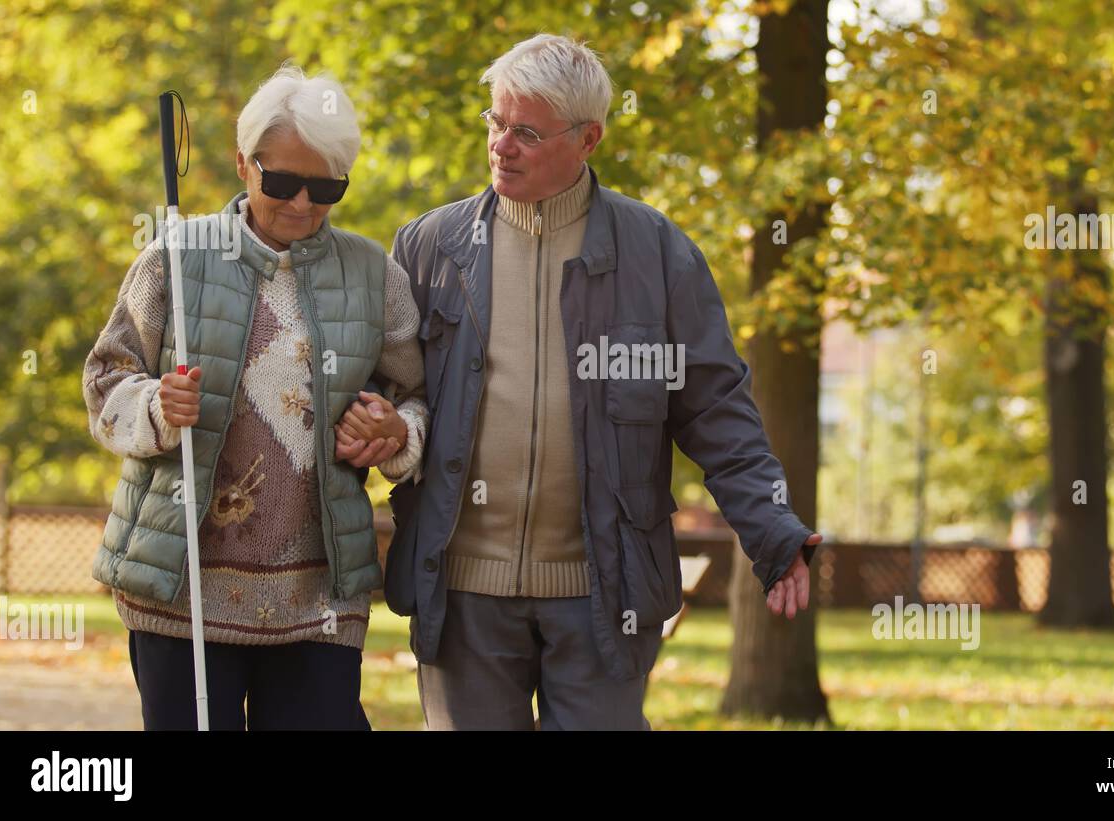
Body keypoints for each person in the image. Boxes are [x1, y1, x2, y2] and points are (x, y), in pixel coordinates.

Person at [364, 35, 822, 730]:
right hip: (460, 591)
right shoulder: (429, 248)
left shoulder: (658, 254)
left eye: (526, 132)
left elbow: (717, 410)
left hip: (607, 592)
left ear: (588, 139)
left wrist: (774, 532)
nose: (501, 145)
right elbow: (394, 395)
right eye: (495, 122)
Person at [83, 65, 428, 730]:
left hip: (319, 602)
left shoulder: (373, 274)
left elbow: (415, 397)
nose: (302, 204)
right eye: (282, 182)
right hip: (181, 593)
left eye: (326, 188)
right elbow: (105, 380)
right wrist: (155, 407)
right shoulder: (174, 258)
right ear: (244, 163)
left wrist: (395, 432)